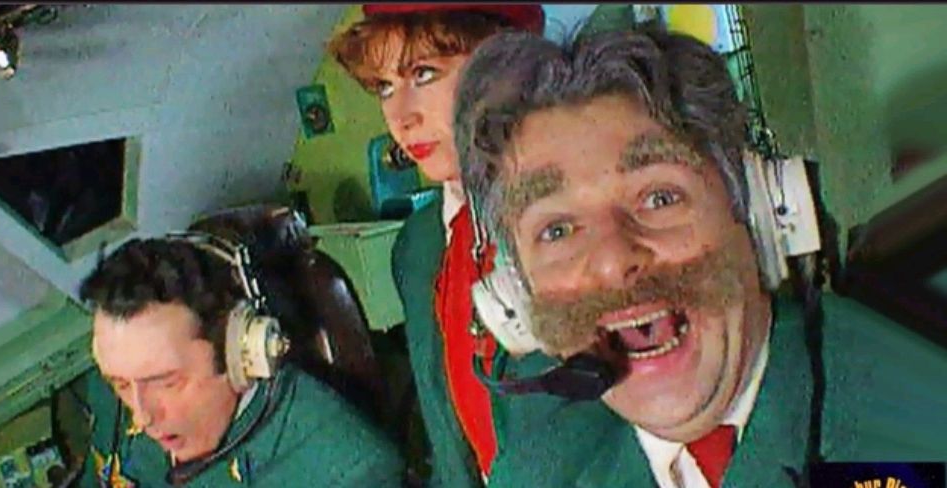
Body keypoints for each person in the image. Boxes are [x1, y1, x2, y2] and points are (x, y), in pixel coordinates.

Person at [452, 28, 947, 487]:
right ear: (519, 297)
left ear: (761, 220)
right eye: (557, 230)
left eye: (659, 198)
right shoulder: (540, 470)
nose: (612, 261)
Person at [328, 5, 545, 486]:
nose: (400, 118)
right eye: (384, 87)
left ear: (506, 65)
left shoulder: (580, 216)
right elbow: (451, 447)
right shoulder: (419, 248)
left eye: (423, 74)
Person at [77, 234, 403, 487]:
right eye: (120, 384)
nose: (143, 415)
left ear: (240, 355)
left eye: (167, 383)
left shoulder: (350, 472)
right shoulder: (111, 393)